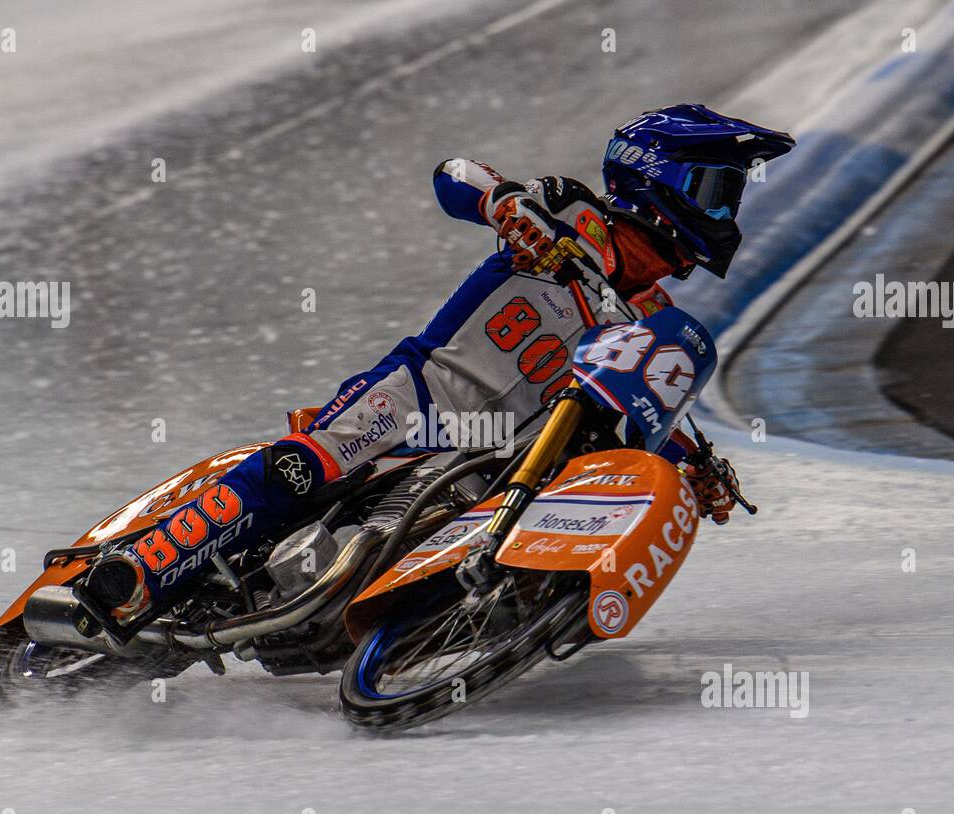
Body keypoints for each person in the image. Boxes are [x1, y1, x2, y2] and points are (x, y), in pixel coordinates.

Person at [88, 103, 795, 626]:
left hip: (500, 450)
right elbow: (454, 175)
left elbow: (635, 401)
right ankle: (139, 571)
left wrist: (691, 462)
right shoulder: (571, 215)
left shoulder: (650, 315)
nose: (725, 211)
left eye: (729, 196)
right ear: (659, 180)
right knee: (304, 467)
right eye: (715, 191)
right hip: (422, 395)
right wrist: (505, 205)